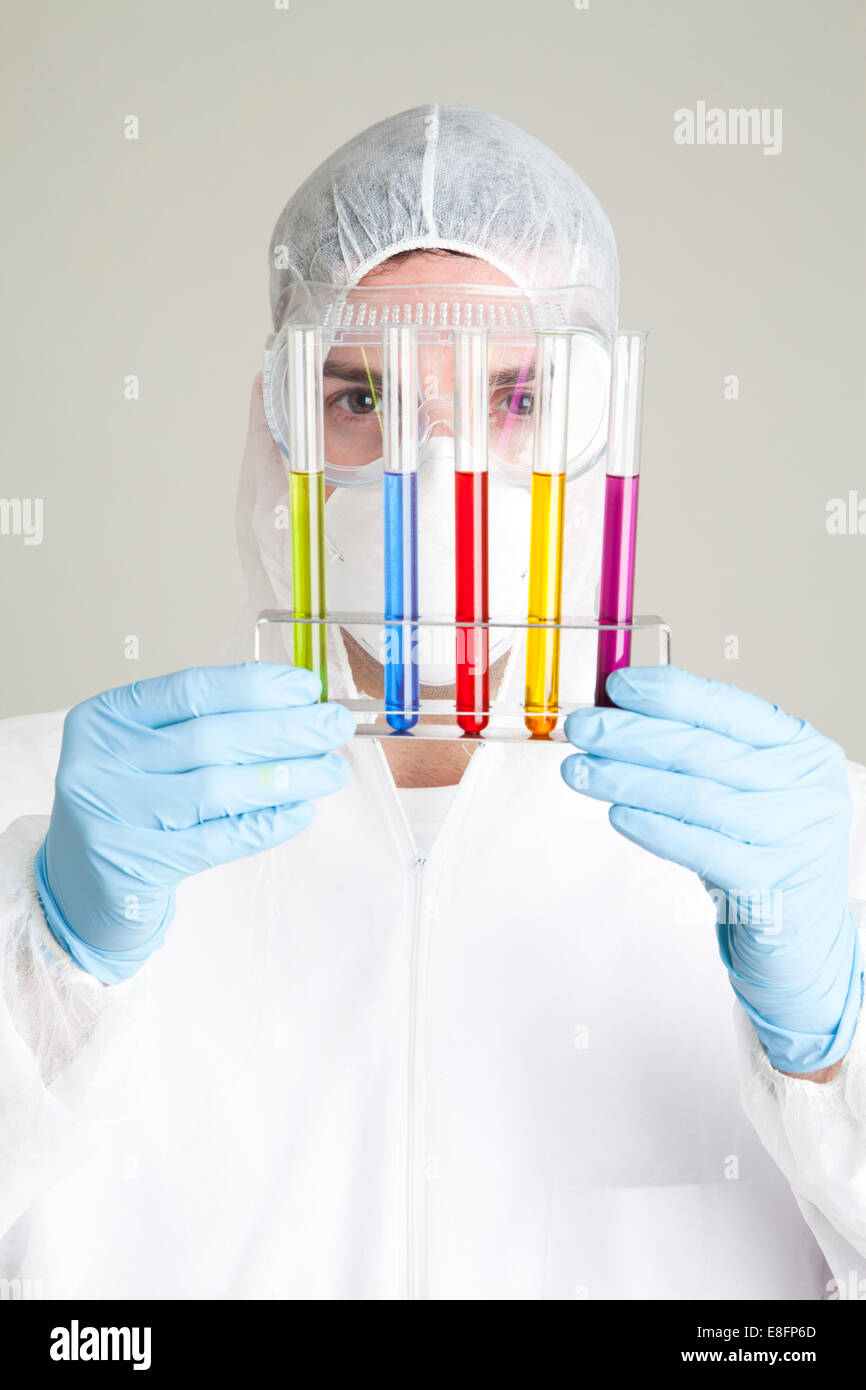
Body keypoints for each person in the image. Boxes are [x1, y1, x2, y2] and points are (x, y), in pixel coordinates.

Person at [1, 104, 864, 1301]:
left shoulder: (801, 848)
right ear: (277, 425)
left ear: (600, 427)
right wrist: (47, 966)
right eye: (360, 397)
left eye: (515, 399)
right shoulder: (48, 811)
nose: (435, 471)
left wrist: (828, 1062)